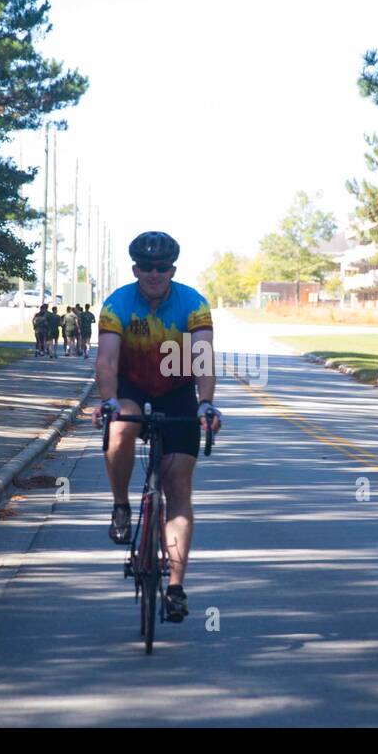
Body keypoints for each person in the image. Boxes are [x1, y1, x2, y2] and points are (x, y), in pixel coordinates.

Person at [92, 231, 222, 622]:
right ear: (135, 269)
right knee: (120, 430)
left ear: (172, 270)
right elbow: (107, 361)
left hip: (177, 387)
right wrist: (108, 400)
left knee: (178, 487)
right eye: (145, 267)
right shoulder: (117, 304)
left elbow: (202, 359)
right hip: (131, 386)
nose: (153, 274)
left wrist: (205, 403)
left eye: (161, 268)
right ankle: (120, 505)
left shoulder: (193, 303)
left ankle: (177, 587)